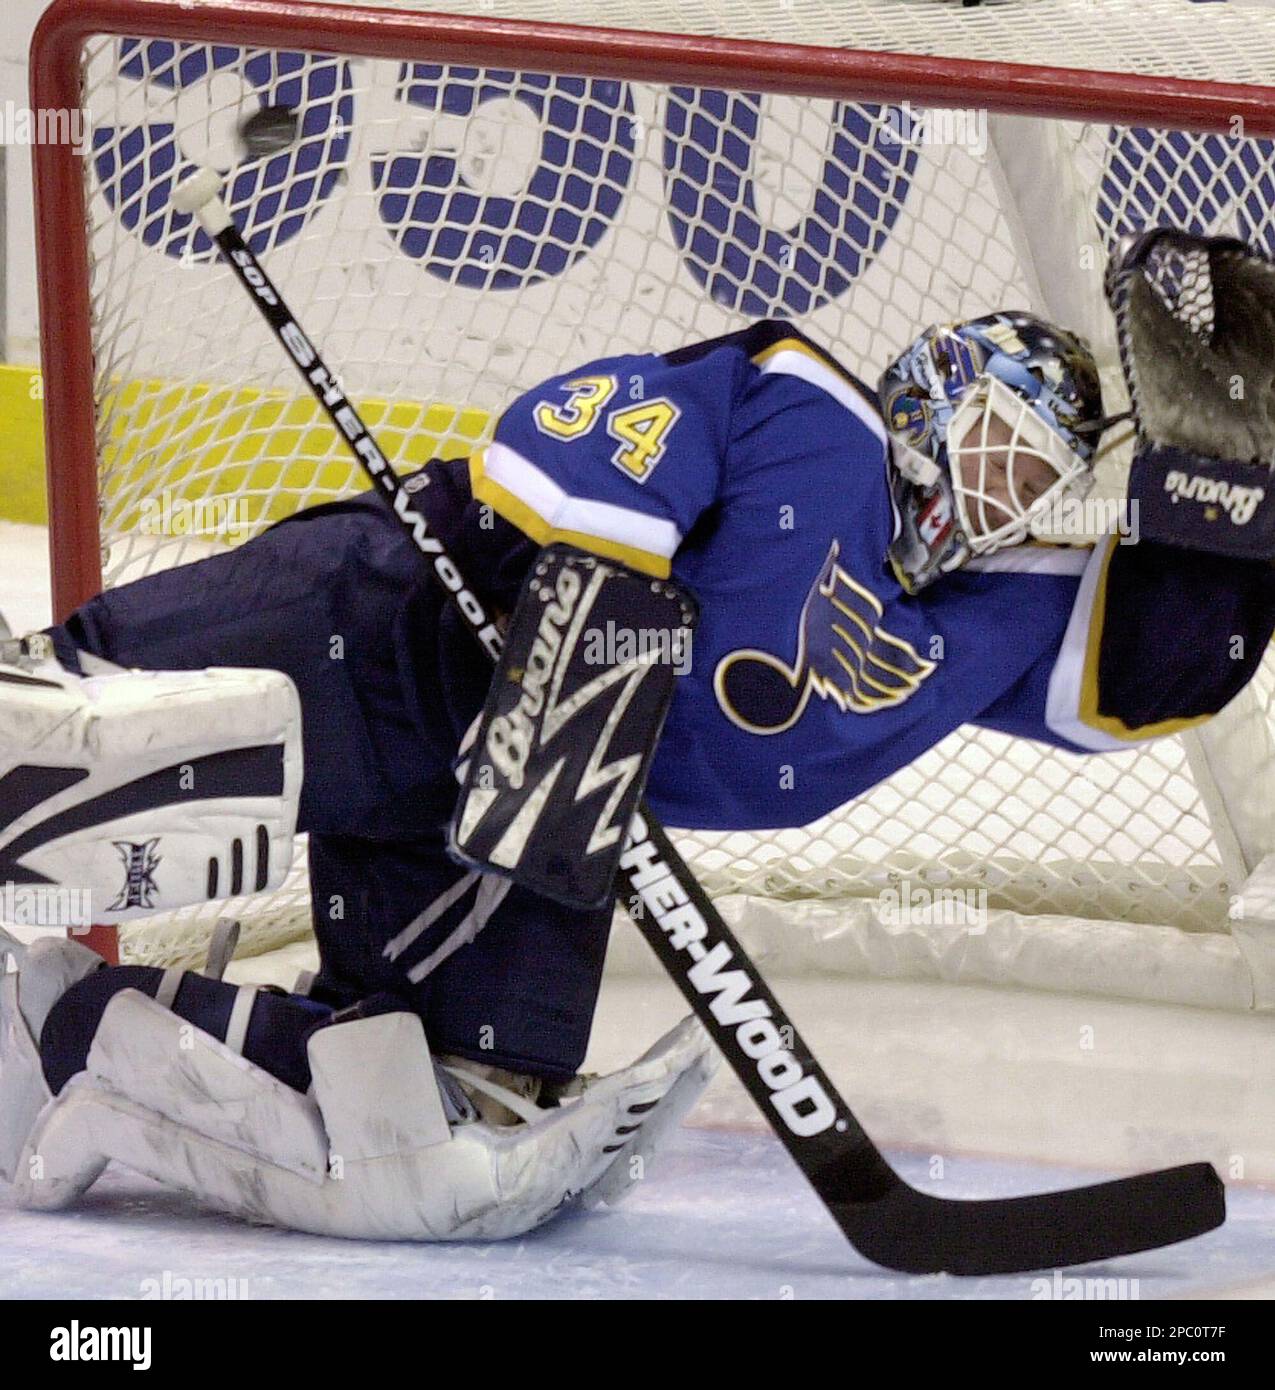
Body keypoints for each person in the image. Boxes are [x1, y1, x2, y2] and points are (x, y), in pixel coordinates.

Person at [2, 311, 1271, 1240]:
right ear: (932, 396)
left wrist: (1240, 502)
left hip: (537, 833)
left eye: (1034, 484)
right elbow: (567, 453)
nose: (996, 500)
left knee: (441, 1132)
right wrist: (597, 647)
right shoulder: (808, 410)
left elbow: (1166, 668)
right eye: (993, 449)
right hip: (404, 636)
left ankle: (64, 1029)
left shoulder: (987, 613)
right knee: (61, 736)